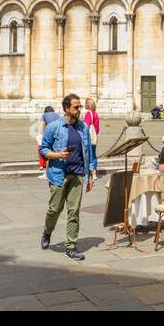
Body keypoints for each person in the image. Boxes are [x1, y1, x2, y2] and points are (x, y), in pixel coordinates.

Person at [38, 93, 96, 260]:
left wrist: (91, 174)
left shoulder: (83, 127)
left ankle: (71, 246)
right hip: (58, 174)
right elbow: (43, 149)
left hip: (77, 175)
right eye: (76, 107)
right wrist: (58, 155)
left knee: (74, 212)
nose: (79, 110)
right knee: (54, 209)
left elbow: (89, 152)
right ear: (66, 109)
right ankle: (47, 232)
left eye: (80, 107)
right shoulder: (54, 127)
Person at [83, 97, 101, 180]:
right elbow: (97, 128)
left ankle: (89, 172)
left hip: (88, 137)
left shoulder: (88, 113)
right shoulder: (95, 113)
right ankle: (94, 173)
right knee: (93, 154)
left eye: (85, 103)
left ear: (88, 105)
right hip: (94, 137)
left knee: (87, 154)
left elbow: (86, 126)